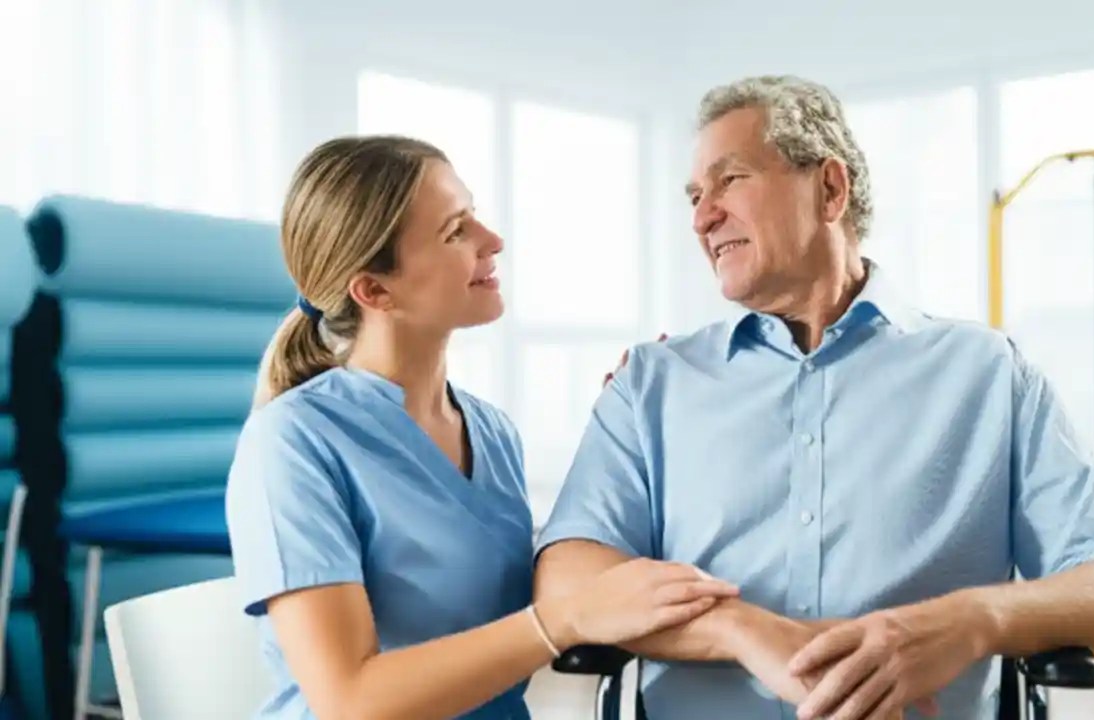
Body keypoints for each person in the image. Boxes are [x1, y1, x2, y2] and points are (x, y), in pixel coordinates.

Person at [533, 75, 1094, 720]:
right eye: (696, 196)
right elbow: (566, 582)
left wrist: (970, 621)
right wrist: (744, 630)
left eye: (730, 181)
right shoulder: (652, 382)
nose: (703, 218)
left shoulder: (986, 376)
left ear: (831, 189)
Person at [225, 135, 741, 720]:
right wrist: (560, 620)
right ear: (374, 289)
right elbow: (352, 701)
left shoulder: (491, 432)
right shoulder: (294, 442)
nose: (492, 241)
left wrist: (627, 433)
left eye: (473, 216)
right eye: (455, 231)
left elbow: (521, 610)